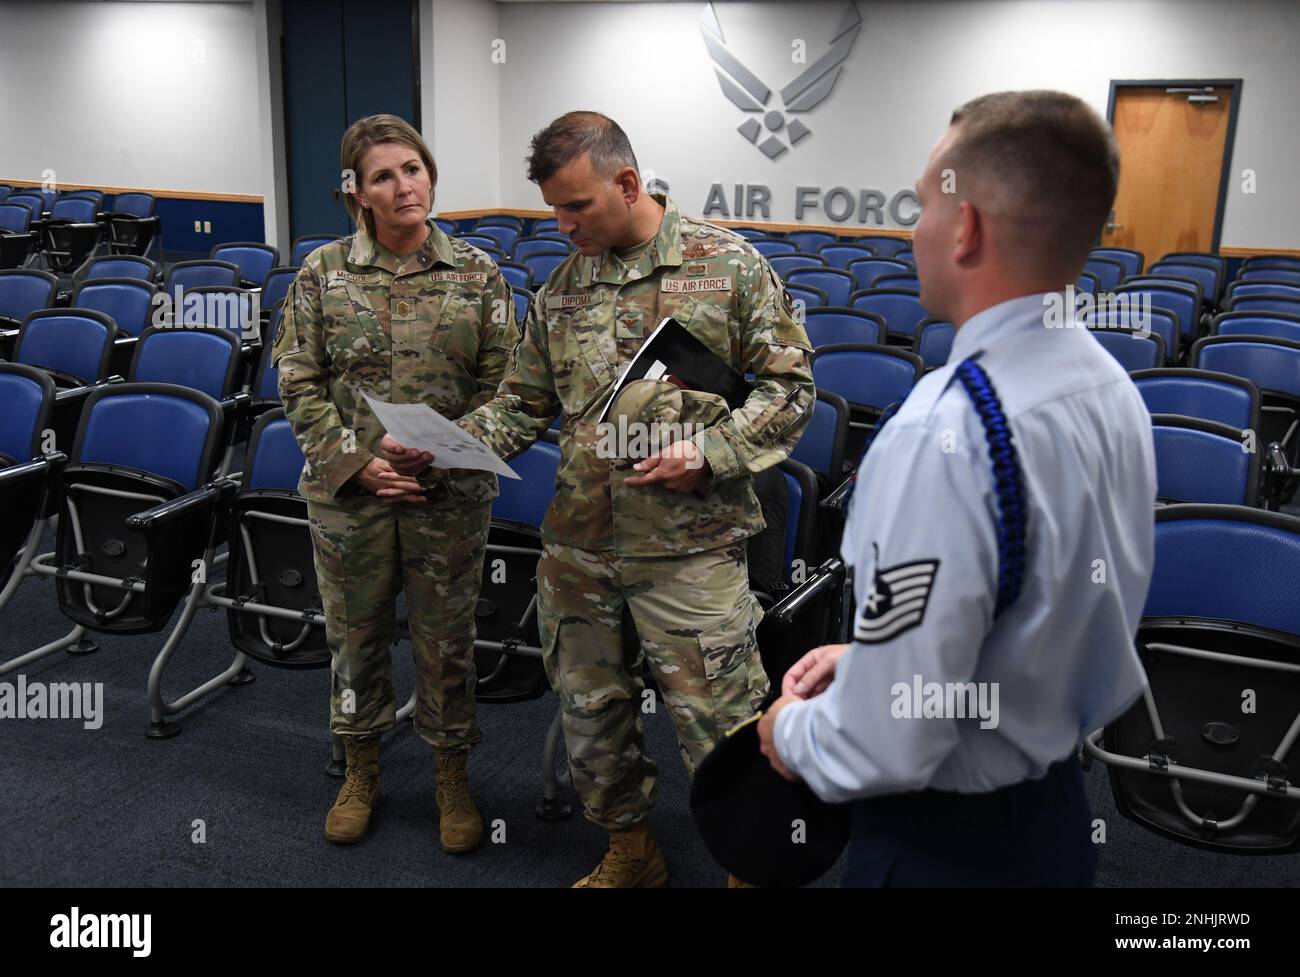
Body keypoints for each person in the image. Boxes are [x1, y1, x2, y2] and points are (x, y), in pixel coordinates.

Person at [383, 111, 815, 887]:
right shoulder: (563, 288)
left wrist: (713, 452)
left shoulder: (727, 266)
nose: (563, 223)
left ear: (627, 182)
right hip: (579, 550)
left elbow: (791, 390)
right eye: (553, 207)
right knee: (592, 718)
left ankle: (751, 866)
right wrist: (444, 442)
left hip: (690, 550)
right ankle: (630, 847)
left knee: (723, 722)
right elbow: (521, 404)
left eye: (577, 206)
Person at [757, 90, 1158, 887]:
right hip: (1051, 817)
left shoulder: (941, 432)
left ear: (966, 226)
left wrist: (789, 730)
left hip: (942, 843)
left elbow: (887, 742)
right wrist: (877, 656)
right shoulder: (1111, 386)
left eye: (920, 207)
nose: (914, 231)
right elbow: (1028, 612)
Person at [272, 113, 519, 854]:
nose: (404, 185)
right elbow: (296, 380)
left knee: (447, 642)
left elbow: (508, 387)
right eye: (384, 176)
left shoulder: (479, 273)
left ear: (430, 174)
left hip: (446, 497)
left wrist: (444, 453)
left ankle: (451, 774)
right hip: (352, 496)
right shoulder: (323, 273)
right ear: (358, 192)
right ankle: (361, 767)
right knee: (356, 638)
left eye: (412, 168)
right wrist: (357, 461)